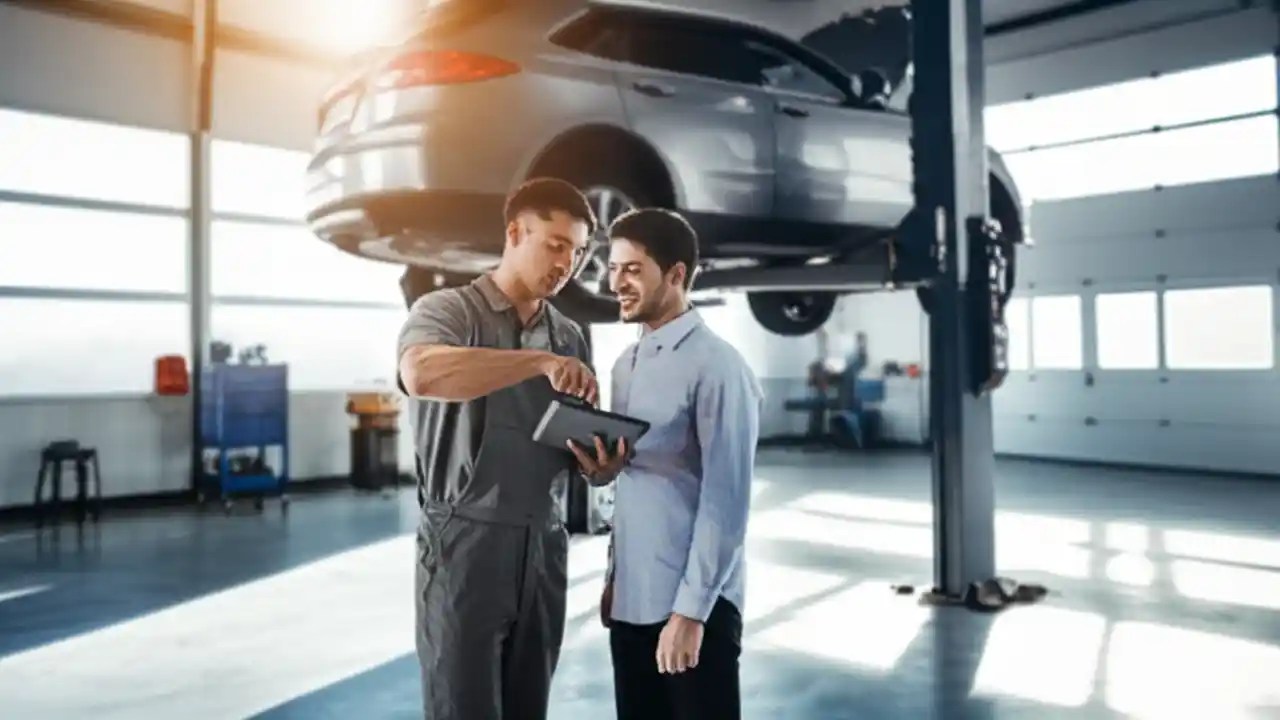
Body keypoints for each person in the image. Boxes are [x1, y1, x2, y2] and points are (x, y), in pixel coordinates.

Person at [396, 177, 627, 720]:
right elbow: (422, 373)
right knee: (464, 706)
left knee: (529, 706)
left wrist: (599, 467)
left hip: (544, 547)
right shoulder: (448, 311)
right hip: (463, 545)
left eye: (577, 251)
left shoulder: (568, 334)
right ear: (515, 232)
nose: (567, 263)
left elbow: (567, 441)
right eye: (554, 244)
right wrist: (537, 363)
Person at [571, 208, 762, 720]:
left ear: (676, 274)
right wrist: (615, 573)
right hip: (632, 600)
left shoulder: (717, 366)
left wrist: (690, 613)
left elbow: (727, 502)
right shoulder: (625, 365)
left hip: (695, 605)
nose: (616, 284)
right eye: (612, 269)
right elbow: (642, 479)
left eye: (632, 269)